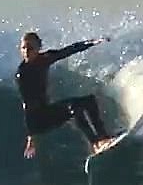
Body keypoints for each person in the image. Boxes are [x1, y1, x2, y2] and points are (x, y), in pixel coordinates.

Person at [16, 31, 116, 159]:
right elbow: (27, 106)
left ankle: (103, 137)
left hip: (48, 111)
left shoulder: (45, 59)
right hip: (38, 120)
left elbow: (68, 50)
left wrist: (92, 42)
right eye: (23, 48)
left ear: (38, 48)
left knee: (89, 101)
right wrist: (31, 136)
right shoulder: (22, 74)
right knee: (75, 108)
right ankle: (95, 143)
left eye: (30, 48)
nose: (26, 51)